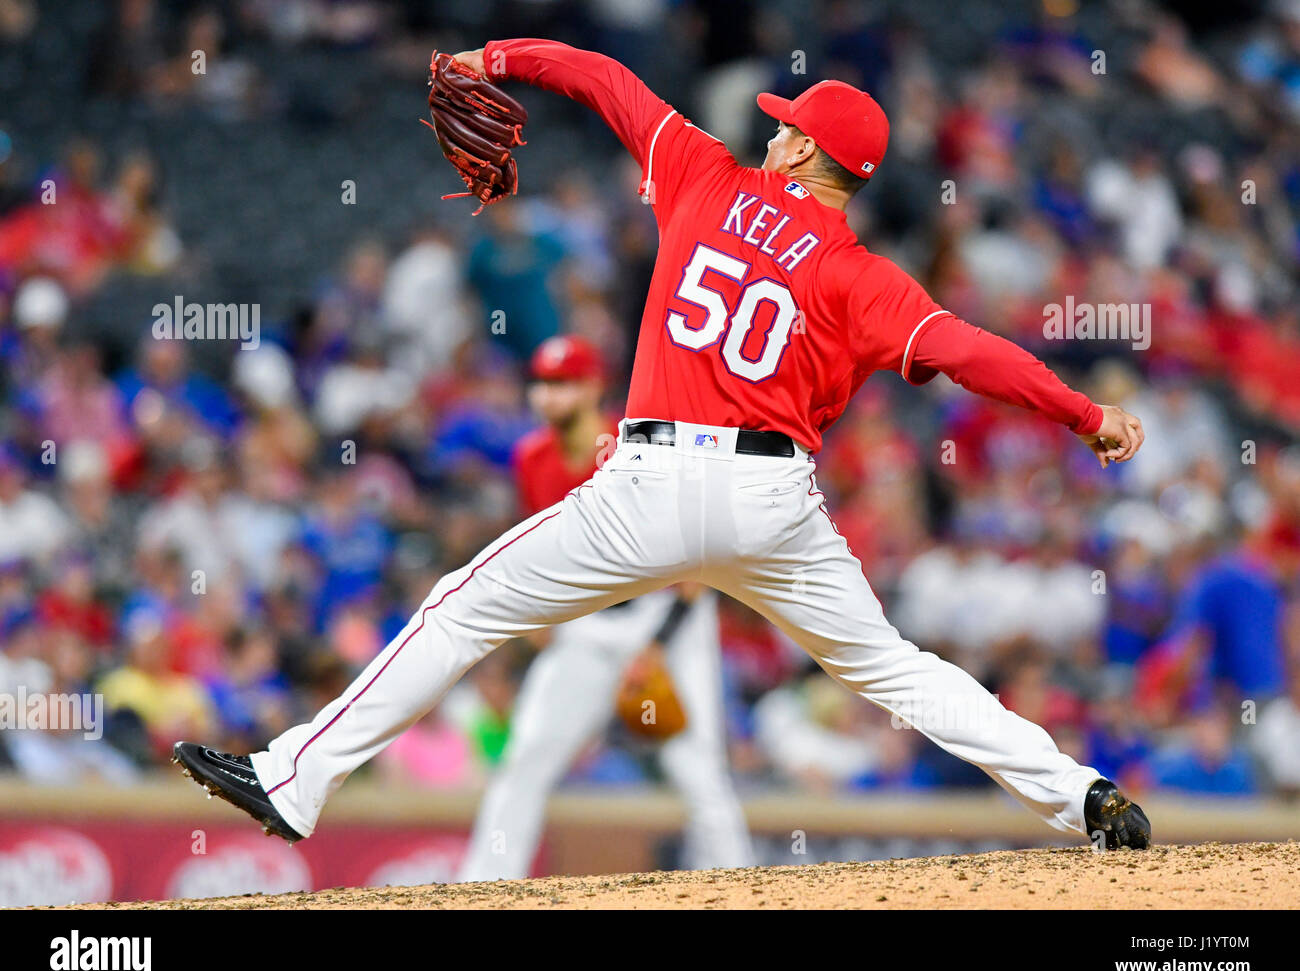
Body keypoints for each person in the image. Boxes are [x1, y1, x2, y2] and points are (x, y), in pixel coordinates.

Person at [175, 38, 1151, 855]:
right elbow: (971, 352)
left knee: (462, 608)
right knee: (894, 668)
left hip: (647, 481)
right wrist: (1084, 414)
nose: (770, 130)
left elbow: (599, 75)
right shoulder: (864, 277)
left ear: (809, 150)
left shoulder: (699, 172)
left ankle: (294, 780)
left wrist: (493, 57)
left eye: (786, 124)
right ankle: (1082, 798)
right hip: (771, 500)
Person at [456, 334, 753, 881]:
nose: (549, 395)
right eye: (542, 383)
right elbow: (548, 551)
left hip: (665, 620)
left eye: (562, 383)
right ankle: (483, 886)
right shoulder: (532, 459)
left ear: (593, 387)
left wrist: (657, 648)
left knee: (698, 772)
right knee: (526, 758)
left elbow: (696, 564)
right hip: (590, 626)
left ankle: (739, 888)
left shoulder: (639, 446)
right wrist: (542, 614)